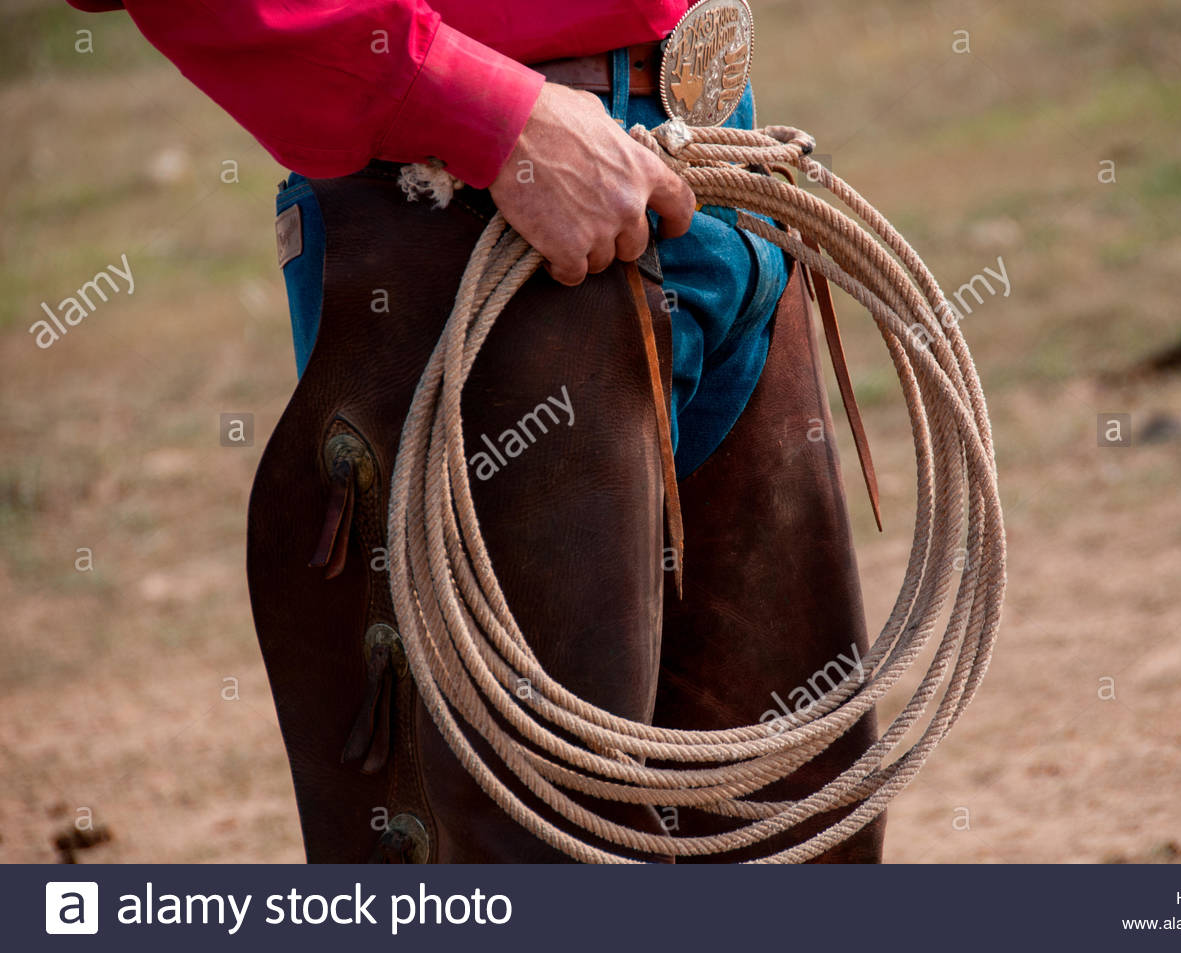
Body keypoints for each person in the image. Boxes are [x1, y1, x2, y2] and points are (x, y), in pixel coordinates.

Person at [68, 0, 885, 863]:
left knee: (802, 826)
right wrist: (479, 106)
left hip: (709, 162)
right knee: (536, 845)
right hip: (466, 198)